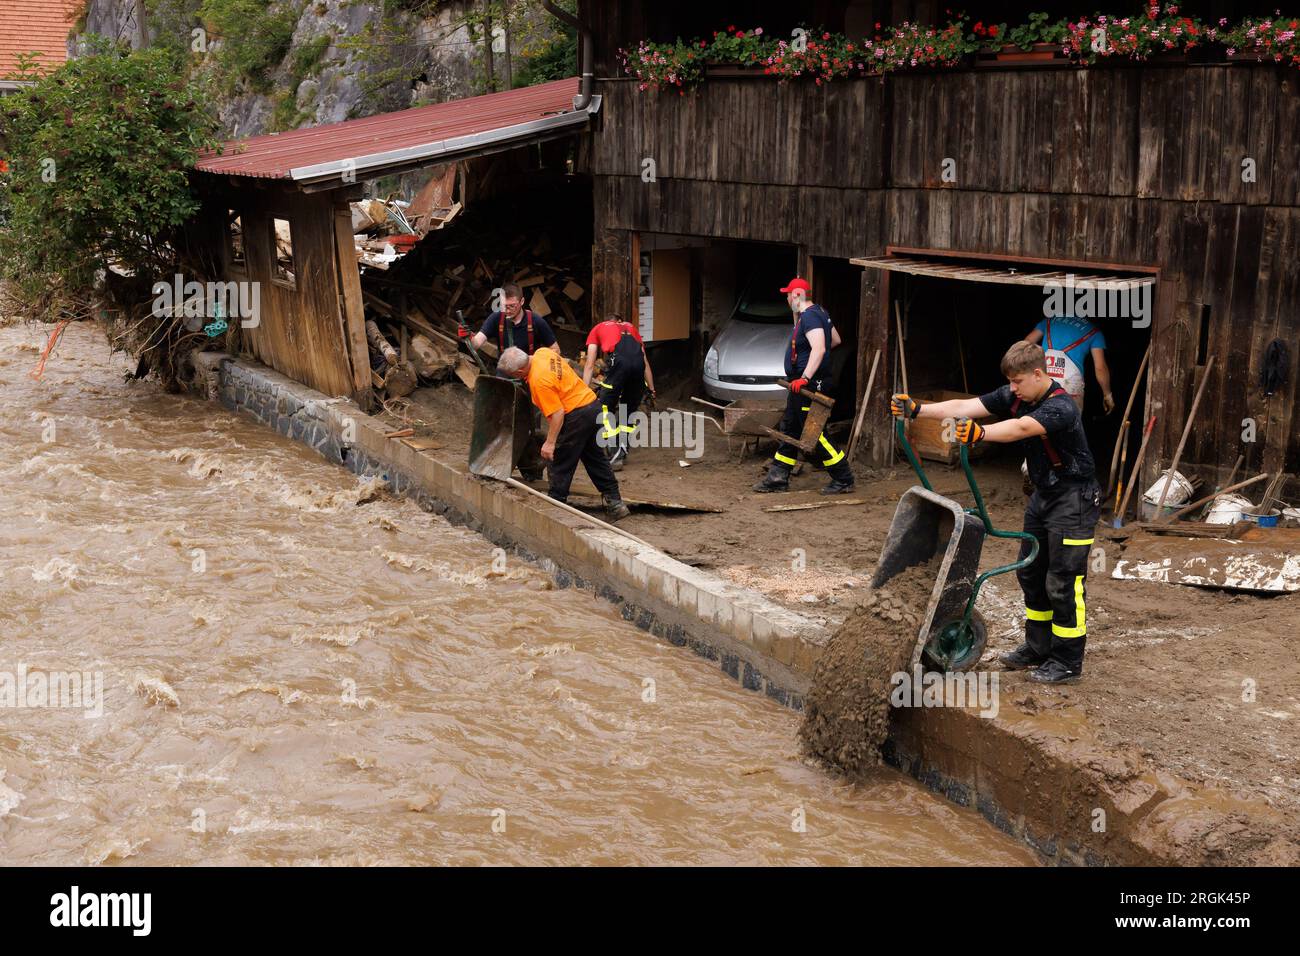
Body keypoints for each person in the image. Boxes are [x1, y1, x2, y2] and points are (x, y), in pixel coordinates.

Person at [891, 341, 1101, 684]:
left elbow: (1020, 428)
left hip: (1074, 499)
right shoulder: (1018, 394)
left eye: (1017, 381)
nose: (1012, 388)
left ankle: (1066, 661)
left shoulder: (1061, 407)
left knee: (1063, 581)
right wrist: (918, 409)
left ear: (1037, 373)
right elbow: (966, 405)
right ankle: (1038, 647)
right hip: (1044, 494)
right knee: (1032, 574)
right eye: (1010, 382)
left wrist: (982, 433)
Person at [497, 346, 630, 522]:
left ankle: (556, 506)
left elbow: (558, 414)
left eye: (514, 375)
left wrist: (550, 442)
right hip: (592, 405)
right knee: (595, 458)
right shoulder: (543, 353)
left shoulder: (538, 381)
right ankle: (615, 503)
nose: (514, 378)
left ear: (521, 370)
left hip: (575, 415)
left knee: (559, 461)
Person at [753, 277, 855, 496]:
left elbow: (819, 349)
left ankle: (843, 478)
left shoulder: (810, 317)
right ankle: (778, 477)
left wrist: (806, 376)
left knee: (815, 433)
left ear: (797, 294)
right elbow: (835, 340)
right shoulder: (817, 313)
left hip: (807, 385)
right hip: (799, 385)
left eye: (789, 295)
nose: (787, 298)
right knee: (789, 428)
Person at [582, 313, 656, 470]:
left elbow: (589, 364)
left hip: (619, 365)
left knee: (604, 408)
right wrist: (651, 388)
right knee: (627, 410)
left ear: (607, 321)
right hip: (638, 368)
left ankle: (615, 454)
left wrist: (583, 392)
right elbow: (644, 361)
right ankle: (622, 450)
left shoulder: (598, 328)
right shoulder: (631, 328)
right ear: (620, 321)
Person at [1024, 314, 1113, 413]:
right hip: (1070, 383)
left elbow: (1026, 344)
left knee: (1036, 423)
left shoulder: (1050, 320)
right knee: (1069, 424)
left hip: (1042, 377)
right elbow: (1100, 367)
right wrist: (1107, 395)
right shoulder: (1094, 331)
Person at [462, 283, 557, 357]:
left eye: (512, 306)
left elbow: (556, 350)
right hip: (505, 370)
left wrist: (537, 361)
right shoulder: (496, 318)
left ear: (522, 301)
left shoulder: (536, 321)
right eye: (504, 305)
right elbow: (476, 344)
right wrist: (468, 337)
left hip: (530, 370)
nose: (507, 310)